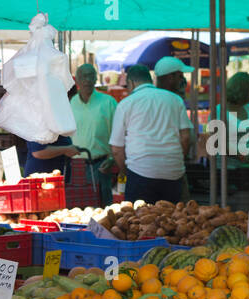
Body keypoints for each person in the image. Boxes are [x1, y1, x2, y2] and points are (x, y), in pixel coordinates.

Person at [108, 61, 192, 205]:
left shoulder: (126, 104)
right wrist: (176, 159)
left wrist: (126, 171)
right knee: (174, 221)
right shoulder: (175, 100)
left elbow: (116, 149)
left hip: (140, 172)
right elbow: (185, 137)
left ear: (131, 83)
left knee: (138, 222)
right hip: (173, 173)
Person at [66, 63, 117, 205]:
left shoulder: (108, 102)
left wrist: (113, 158)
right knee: (77, 210)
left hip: (100, 165)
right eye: (83, 76)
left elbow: (118, 134)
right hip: (76, 166)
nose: (87, 80)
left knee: (103, 209)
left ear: (96, 79)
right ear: (77, 80)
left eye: (90, 76)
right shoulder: (71, 103)